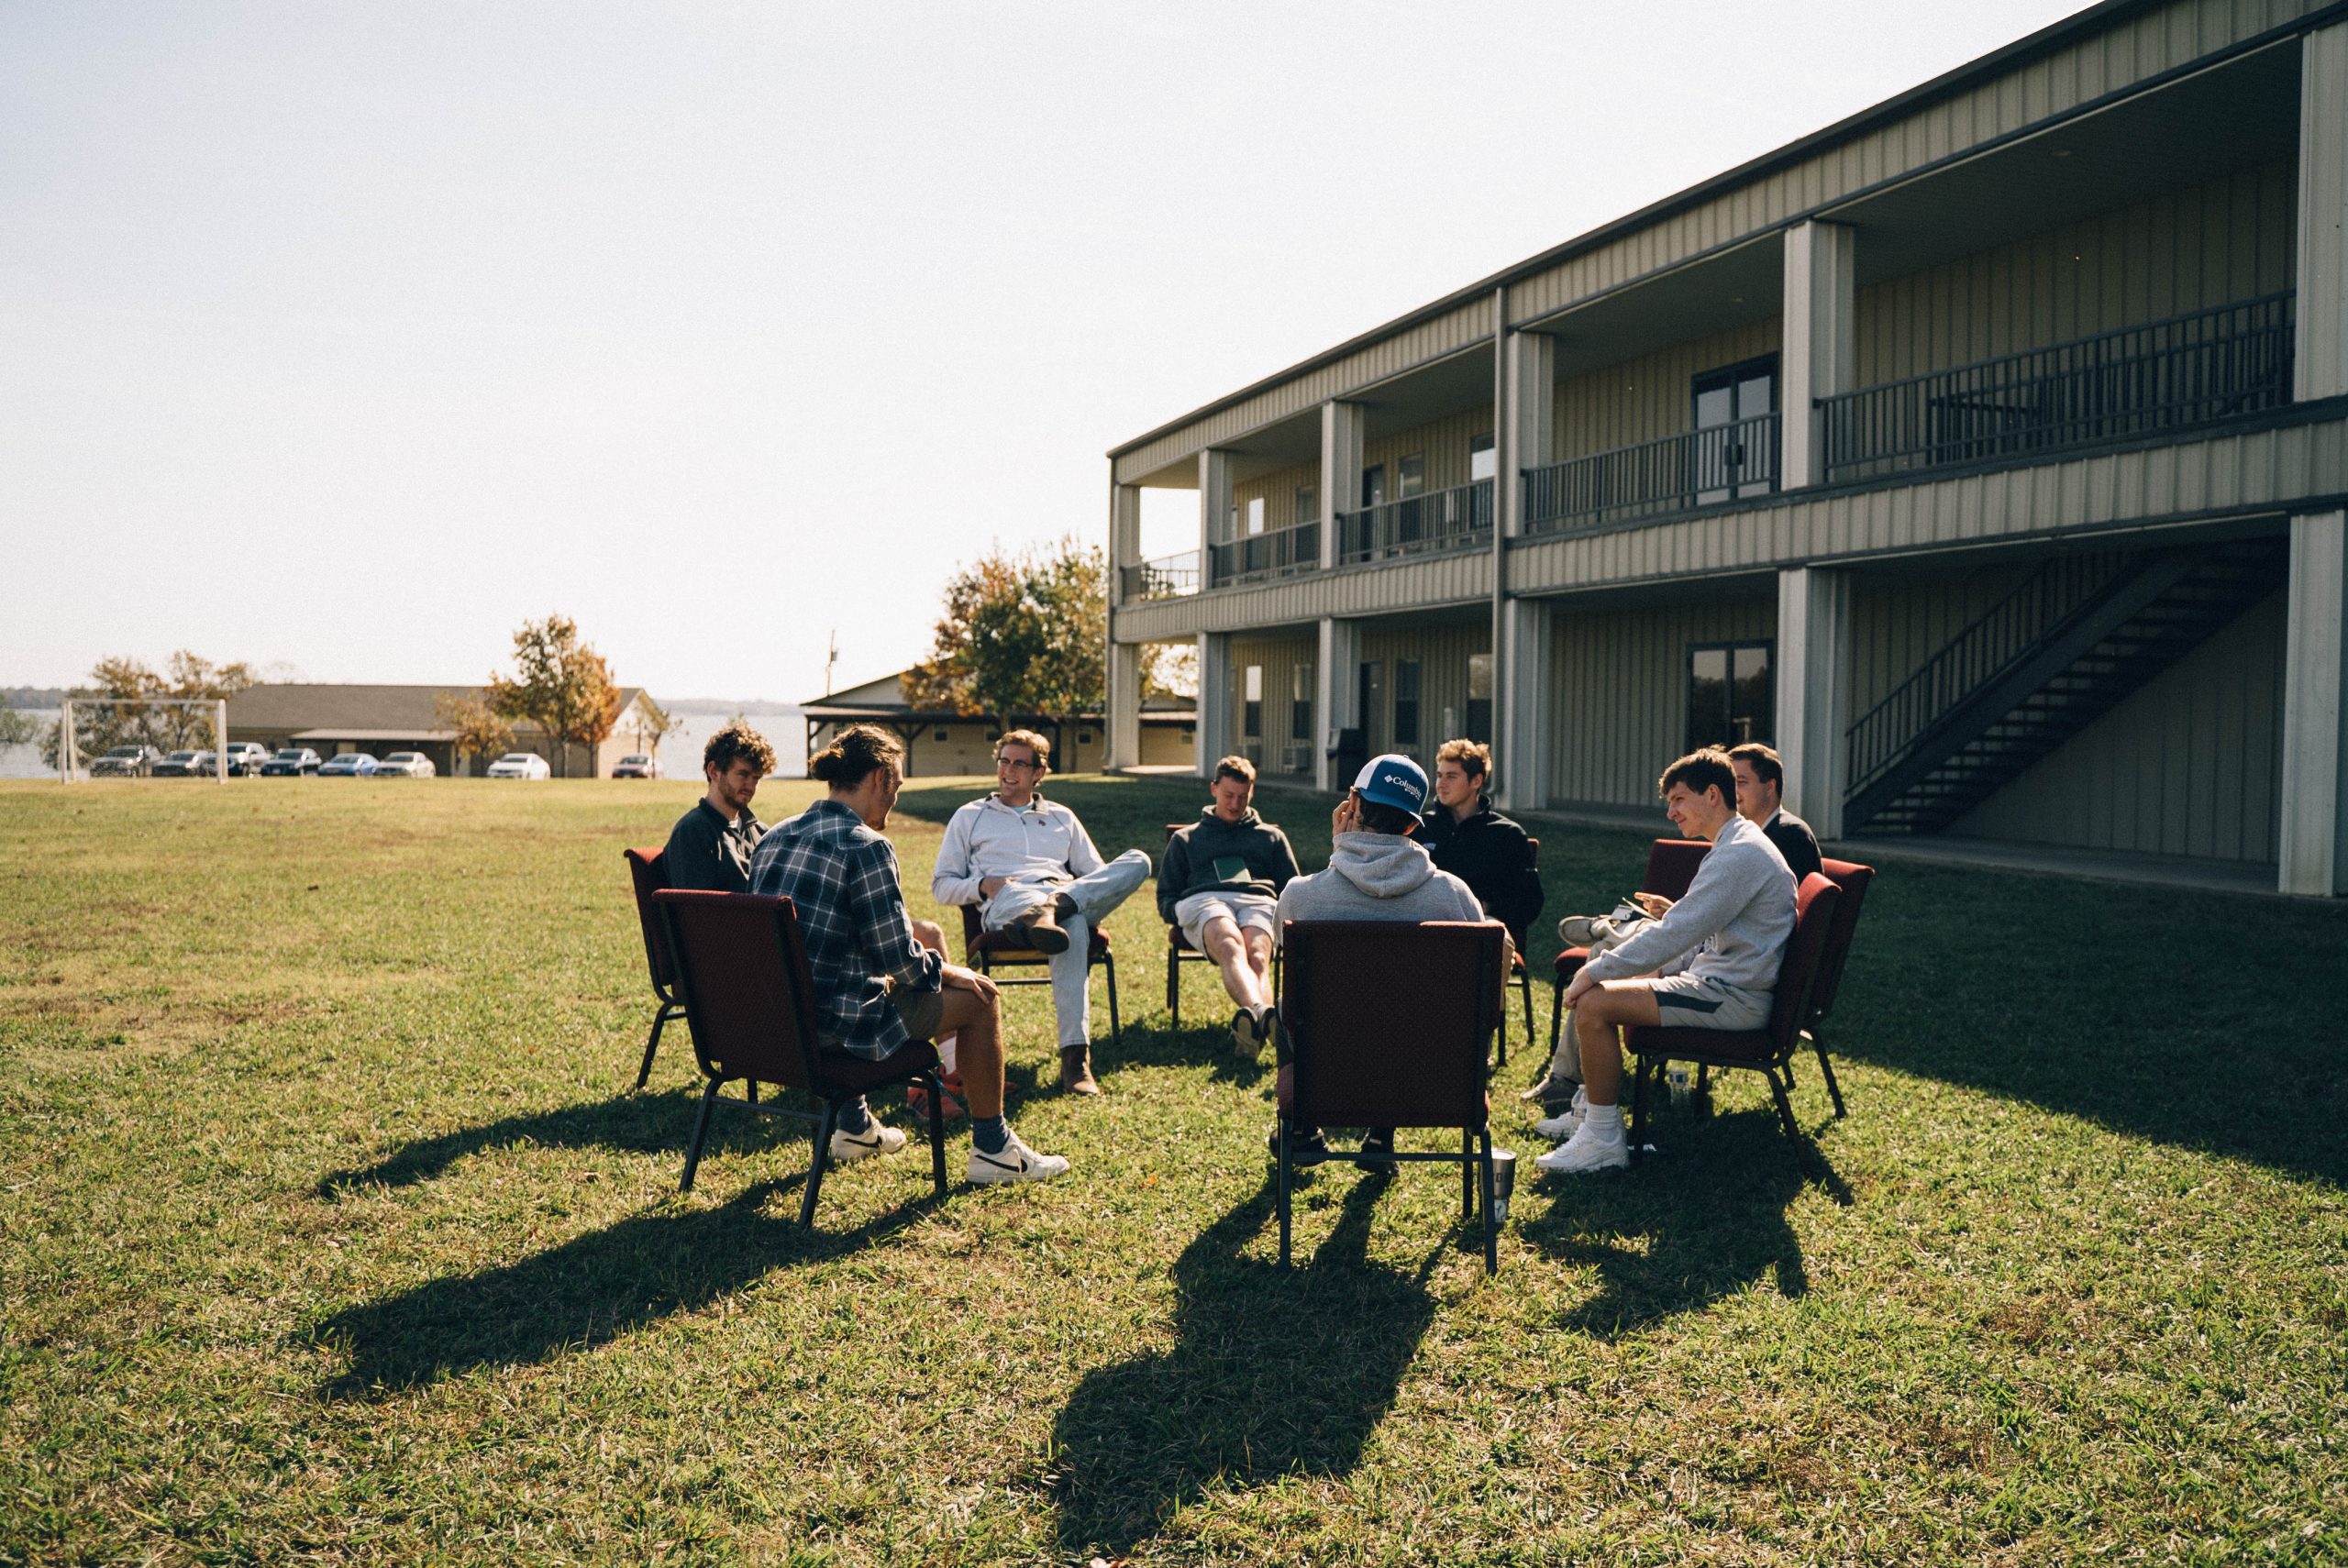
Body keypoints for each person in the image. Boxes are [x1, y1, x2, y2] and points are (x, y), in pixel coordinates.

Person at [749, 723, 1067, 1185]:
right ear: (879, 778)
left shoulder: (773, 837)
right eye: (895, 785)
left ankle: (855, 1128)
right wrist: (948, 970)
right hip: (835, 1030)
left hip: (776, 1026)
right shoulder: (867, 846)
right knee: (983, 1000)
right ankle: (994, 1150)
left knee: (856, 984)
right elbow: (898, 960)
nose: (894, 799)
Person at [1538, 747, 1796, 1176]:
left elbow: (1676, 932)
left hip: (1733, 998)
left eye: (1678, 800)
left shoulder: (1739, 853)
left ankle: (1602, 1139)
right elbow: (1694, 932)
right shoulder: (1734, 844)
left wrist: (1593, 969)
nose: (1671, 813)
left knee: (1594, 1002)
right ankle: (1590, 1116)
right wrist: (1646, 970)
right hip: (1721, 986)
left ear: (1712, 794)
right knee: (1619, 982)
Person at [1272, 753, 1497, 1173]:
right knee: (1401, 1011)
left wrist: (1337, 853)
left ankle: (1303, 1128)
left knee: (1285, 1008)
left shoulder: (1301, 896)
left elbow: (1277, 953)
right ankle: (1380, 1135)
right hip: (1429, 1079)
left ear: (1353, 805)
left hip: (1330, 1076)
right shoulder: (1455, 897)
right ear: (1413, 825)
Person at [931, 730, 1152, 1096]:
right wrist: (984, 885)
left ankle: (1052, 909)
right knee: (1075, 923)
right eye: (1004, 761)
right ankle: (1075, 1061)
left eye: (1019, 763)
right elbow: (941, 885)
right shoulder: (970, 816)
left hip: (1061, 893)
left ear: (1039, 773)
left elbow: (1098, 875)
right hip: (1009, 899)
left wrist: (1066, 895)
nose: (1008, 770)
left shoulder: (1062, 817)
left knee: (1139, 862)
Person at [1157, 755, 1302, 1057]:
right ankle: (1266, 1016)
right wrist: (1178, 913)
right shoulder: (1186, 839)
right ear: (1213, 790)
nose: (1235, 804)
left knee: (1258, 955)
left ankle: (1255, 1025)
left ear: (1252, 793)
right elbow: (1166, 895)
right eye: (1228, 796)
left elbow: (1293, 888)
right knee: (1229, 943)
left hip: (1257, 900)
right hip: (1204, 900)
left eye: (1243, 797)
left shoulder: (1271, 837)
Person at [1417, 739, 1545, 949]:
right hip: (1426, 924)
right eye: (1439, 775)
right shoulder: (1421, 828)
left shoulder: (1507, 834)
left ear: (1476, 781)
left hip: (1483, 927)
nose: (1441, 783)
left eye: (1451, 776)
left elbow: (1529, 902)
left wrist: (1488, 905)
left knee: (1497, 940)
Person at [662, 722, 774, 893]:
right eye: (743, 774)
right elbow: (695, 911)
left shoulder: (761, 833)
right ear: (714, 771)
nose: (750, 786)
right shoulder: (693, 831)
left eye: (756, 778)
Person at [1727, 742, 1824, 881]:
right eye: (1730, 783)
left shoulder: (1792, 835)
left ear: (1770, 787)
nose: (1732, 790)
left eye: (1741, 782)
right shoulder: (1746, 833)